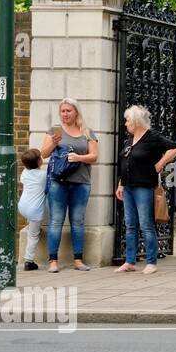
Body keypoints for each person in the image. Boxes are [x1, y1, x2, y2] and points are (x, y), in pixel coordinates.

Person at [114, 105, 176, 275]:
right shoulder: (130, 140)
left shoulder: (152, 137)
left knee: (146, 224)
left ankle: (151, 261)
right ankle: (130, 261)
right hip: (128, 186)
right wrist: (121, 184)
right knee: (130, 225)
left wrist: (160, 163)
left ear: (136, 121)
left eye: (128, 120)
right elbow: (125, 163)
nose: (126, 124)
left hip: (144, 186)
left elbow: (175, 148)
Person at [42, 97, 99, 272]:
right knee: (56, 221)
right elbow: (43, 154)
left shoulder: (87, 132)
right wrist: (53, 142)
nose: (65, 114)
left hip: (81, 183)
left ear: (76, 112)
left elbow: (94, 157)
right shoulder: (54, 131)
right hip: (58, 182)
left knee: (78, 222)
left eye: (69, 111)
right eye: (63, 111)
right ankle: (53, 260)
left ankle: (78, 260)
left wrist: (79, 158)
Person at [17, 148, 47, 271]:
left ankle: (33, 226)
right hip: (35, 210)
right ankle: (29, 261)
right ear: (39, 161)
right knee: (33, 235)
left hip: (23, 206)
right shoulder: (43, 176)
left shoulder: (24, 173)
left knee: (32, 226)